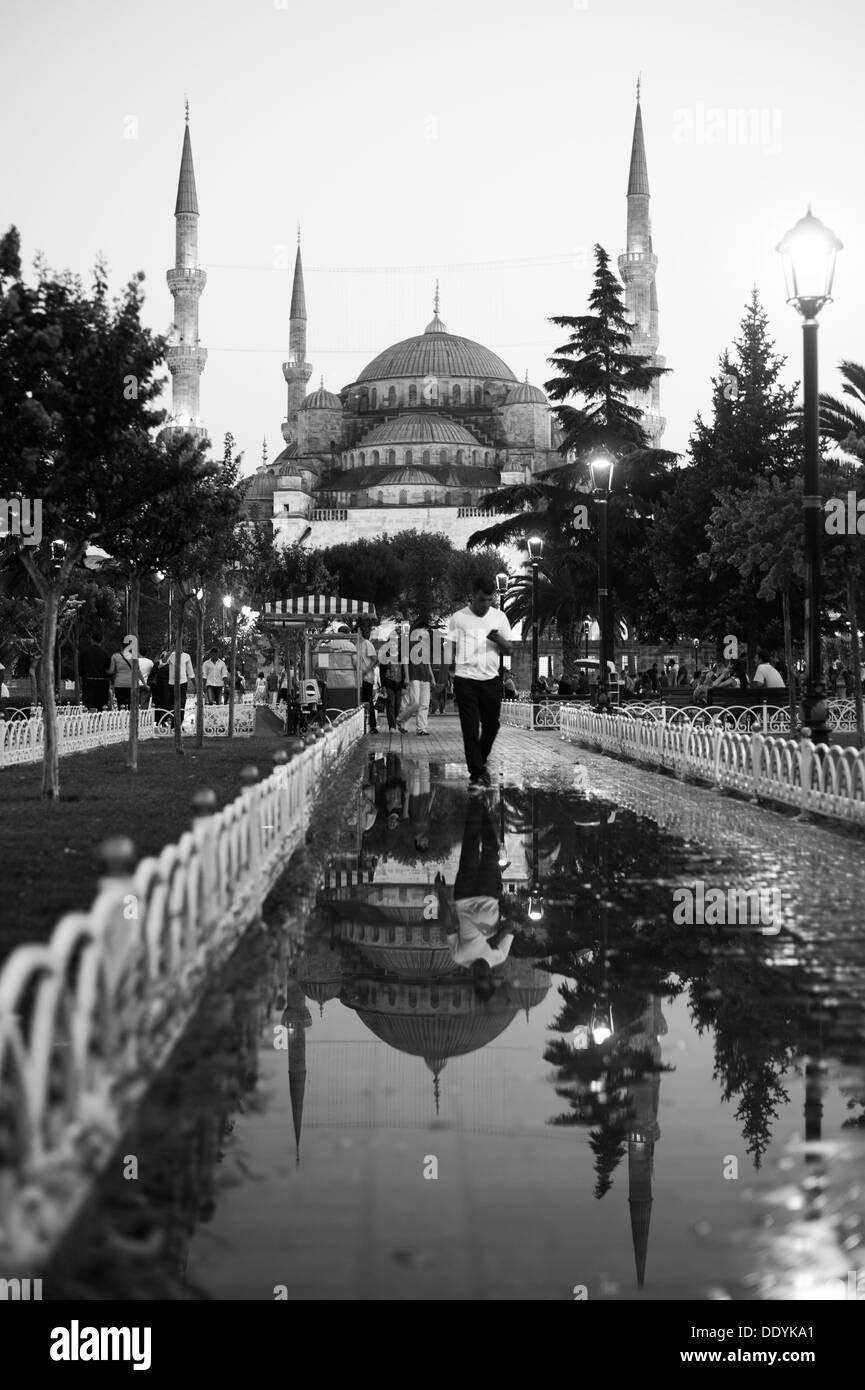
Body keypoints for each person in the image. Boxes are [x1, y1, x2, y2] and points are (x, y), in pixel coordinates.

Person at [433, 797, 521, 982]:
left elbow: (449, 925)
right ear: (490, 975)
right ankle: (481, 805)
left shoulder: (459, 957)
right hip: (490, 892)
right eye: (484, 976)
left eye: (477, 976)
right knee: (492, 847)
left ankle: (476, 798)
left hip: (465, 894)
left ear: (472, 976)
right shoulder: (499, 956)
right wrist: (497, 939)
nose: (480, 972)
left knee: (471, 844)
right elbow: (512, 925)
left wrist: (440, 892)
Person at [447, 576, 513, 790]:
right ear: (472, 596)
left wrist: (499, 640)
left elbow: (509, 649)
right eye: (481, 599)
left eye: (489, 600)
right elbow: (450, 650)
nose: (485, 604)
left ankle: (479, 762)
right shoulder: (458, 618)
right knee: (470, 728)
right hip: (465, 680)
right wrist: (441, 682)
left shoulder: (499, 617)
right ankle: (476, 773)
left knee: (492, 725)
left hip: (491, 680)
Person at [398, 626, 434, 735]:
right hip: (414, 676)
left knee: (424, 704)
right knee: (415, 703)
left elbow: (428, 664)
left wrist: (432, 677)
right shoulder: (408, 646)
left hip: (425, 677)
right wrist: (407, 677)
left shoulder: (425, 647)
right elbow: (405, 662)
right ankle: (401, 719)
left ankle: (421, 729)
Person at [379, 638, 408, 732]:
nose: (393, 646)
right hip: (389, 684)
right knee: (390, 704)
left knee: (398, 705)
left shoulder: (401, 657)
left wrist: (404, 686)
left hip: (399, 685)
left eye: (394, 645)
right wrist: (383, 686)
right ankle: (392, 726)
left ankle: (396, 722)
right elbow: (382, 673)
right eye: (391, 644)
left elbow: (404, 672)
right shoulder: (385, 657)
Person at [78, 630, 111, 711]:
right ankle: (100, 721)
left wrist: (81, 679)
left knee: (90, 704)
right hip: (102, 683)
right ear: (101, 641)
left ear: (92, 640)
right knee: (101, 705)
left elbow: (80, 668)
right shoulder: (105, 654)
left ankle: (91, 720)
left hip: (88, 682)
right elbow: (108, 670)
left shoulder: (84, 652)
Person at [358, 619, 379, 734]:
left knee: (368, 700)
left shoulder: (366, 643)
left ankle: (372, 725)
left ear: (361, 632)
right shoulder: (354, 644)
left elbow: (375, 659)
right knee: (360, 701)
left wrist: (367, 670)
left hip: (366, 677)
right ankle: (362, 724)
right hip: (357, 678)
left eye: (357, 632)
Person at [167, 644, 196, 721]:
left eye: (180, 645)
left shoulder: (186, 656)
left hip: (183, 682)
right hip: (171, 683)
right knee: (172, 704)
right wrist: (170, 652)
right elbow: (162, 663)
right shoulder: (170, 655)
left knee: (182, 703)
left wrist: (195, 685)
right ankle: (172, 723)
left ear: (183, 646)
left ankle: (180, 723)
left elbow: (190, 672)